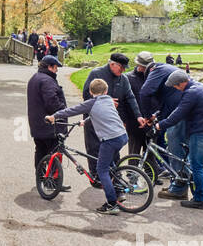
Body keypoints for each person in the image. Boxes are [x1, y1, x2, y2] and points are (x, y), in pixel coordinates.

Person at [47, 78, 129, 214]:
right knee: (109, 165)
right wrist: (85, 121)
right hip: (122, 136)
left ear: (91, 92)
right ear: (106, 91)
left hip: (110, 139)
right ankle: (118, 186)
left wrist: (54, 116)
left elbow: (71, 110)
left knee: (101, 170)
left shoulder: (91, 103)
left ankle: (112, 204)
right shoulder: (109, 99)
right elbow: (101, 113)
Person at [152, 69, 203, 209]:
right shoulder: (202, 87)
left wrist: (159, 125)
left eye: (176, 86)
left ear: (182, 83)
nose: (176, 89)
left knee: (197, 166)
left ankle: (199, 200)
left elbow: (177, 115)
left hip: (200, 134)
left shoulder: (190, 93)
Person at [79, 51, 146, 185]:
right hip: (94, 119)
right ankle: (96, 177)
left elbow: (130, 98)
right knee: (94, 147)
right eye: (120, 67)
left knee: (113, 148)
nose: (122, 70)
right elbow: (86, 94)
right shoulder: (96, 74)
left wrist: (138, 116)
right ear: (112, 64)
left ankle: (114, 174)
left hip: (112, 121)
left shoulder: (123, 79)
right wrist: (105, 100)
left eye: (124, 68)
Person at [136, 51, 187, 199]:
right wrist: (155, 115)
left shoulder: (156, 71)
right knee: (181, 148)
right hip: (181, 108)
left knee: (174, 146)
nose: (138, 70)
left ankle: (178, 188)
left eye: (139, 67)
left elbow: (145, 92)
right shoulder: (165, 68)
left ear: (143, 67)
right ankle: (180, 180)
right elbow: (166, 98)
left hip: (177, 112)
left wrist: (146, 116)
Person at [26, 54, 68, 189]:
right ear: (50, 67)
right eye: (56, 68)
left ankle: (41, 178)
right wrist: (64, 110)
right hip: (50, 126)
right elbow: (52, 103)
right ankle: (53, 181)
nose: (57, 71)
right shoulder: (48, 81)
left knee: (40, 152)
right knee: (54, 153)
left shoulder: (35, 78)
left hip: (37, 124)